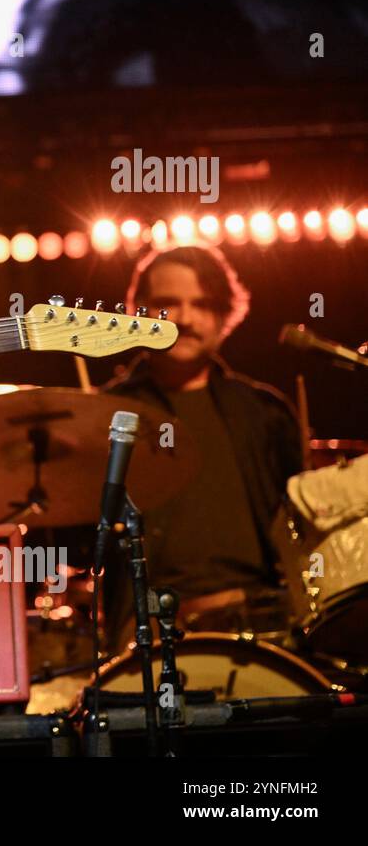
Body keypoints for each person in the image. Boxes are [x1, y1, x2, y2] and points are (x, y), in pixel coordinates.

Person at [101, 244, 303, 646]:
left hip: (267, 624)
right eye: (167, 303)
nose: (186, 319)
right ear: (138, 310)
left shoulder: (265, 412)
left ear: (227, 313)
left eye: (203, 304)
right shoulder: (102, 415)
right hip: (153, 631)